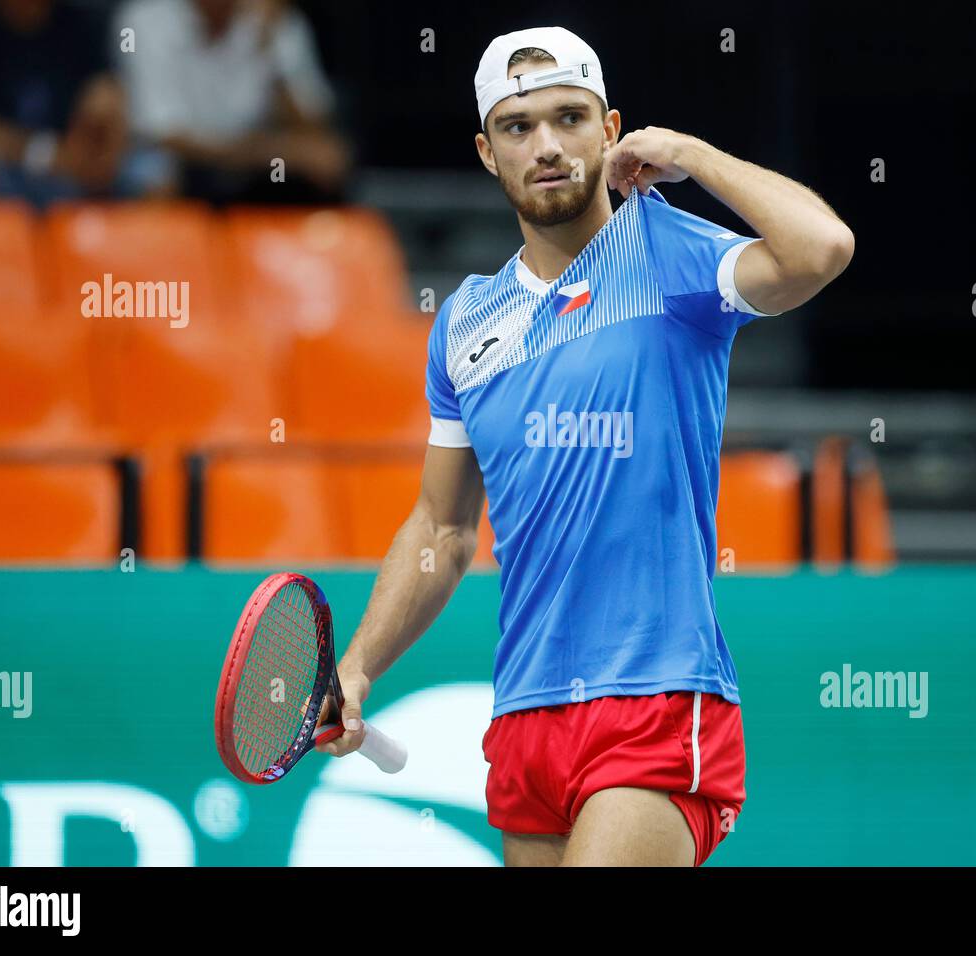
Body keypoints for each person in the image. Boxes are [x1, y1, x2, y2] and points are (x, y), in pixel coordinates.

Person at [317, 26, 854, 866]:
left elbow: (820, 249)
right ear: (487, 153)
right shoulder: (465, 323)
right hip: (527, 711)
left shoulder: (668, 253)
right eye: (518, 127)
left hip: (658, 694)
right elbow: (441, 529)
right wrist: (357, 666)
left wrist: (687, 151)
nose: (548, 146)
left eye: (571, 118)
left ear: (610, 131)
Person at [0, 0, 166, 203]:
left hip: (71, 164)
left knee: (152, 172)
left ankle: (116, 254)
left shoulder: (83, 18)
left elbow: (108, 97)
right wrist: (40, 153)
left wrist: (103, 142)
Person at [114, 0, 349, 204]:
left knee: (327, 163)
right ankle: (165, 252)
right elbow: (161, 135)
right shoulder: (142, 21)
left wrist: (273, 47)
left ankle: (294, 253)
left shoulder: (277, 21)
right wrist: (270, 151)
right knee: (155, 170)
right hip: (189, 163)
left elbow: (313, 129)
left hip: (260, 170)